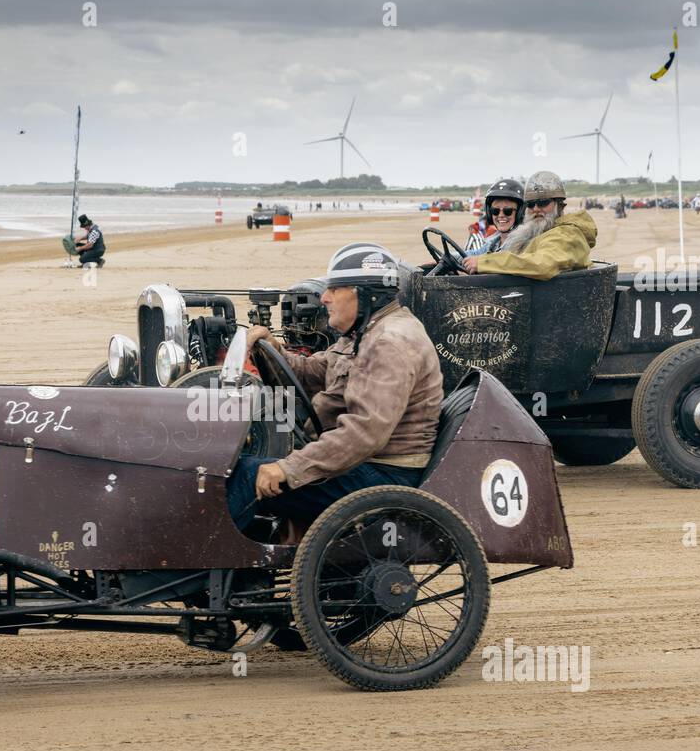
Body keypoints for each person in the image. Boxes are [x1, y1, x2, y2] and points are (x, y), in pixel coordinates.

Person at [226, 244, 442, 532]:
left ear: (364, 294)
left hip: (382, 474)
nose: (324, 298)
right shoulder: (368, 331)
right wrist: (272, 350)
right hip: (367, 463)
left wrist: (288, 468)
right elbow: (316, 371)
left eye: (335, 289)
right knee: (242, 465)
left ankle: (203, 573)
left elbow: (364, 432)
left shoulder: (389, 342)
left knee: (241, 476)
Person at [461, 170, 597, 281]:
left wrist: (484, 263)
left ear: (559, 205)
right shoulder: (538, 233)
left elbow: (542, 264)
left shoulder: (567, 234)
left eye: (543, 202)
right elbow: (495, 252)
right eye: (530, 204)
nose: (536, 209)